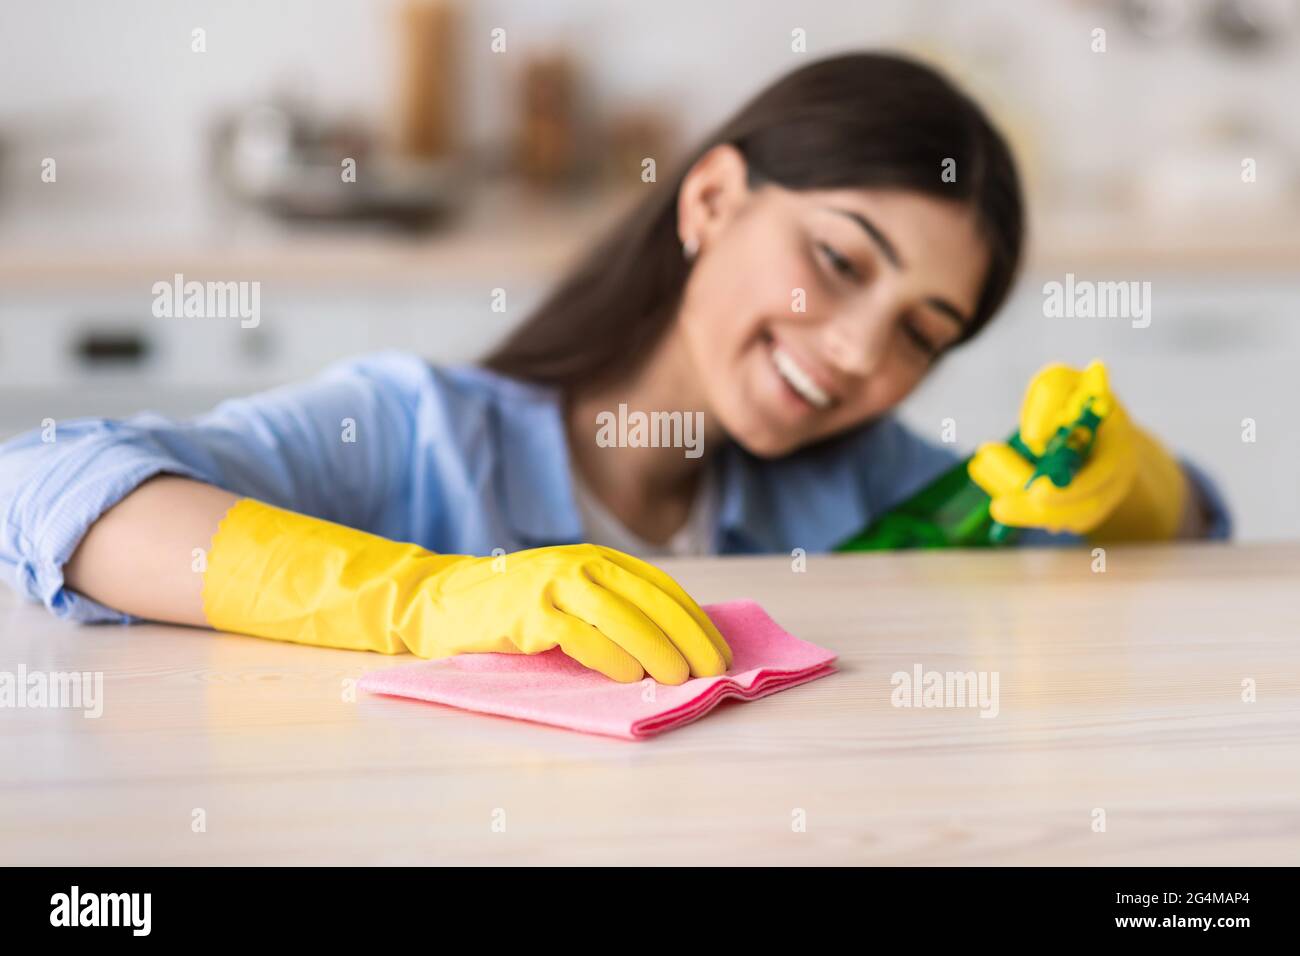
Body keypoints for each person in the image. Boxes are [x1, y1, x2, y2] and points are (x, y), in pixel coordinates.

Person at [0, 53, 1228, 686]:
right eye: (841, 261)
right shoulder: (417, 437)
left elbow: (1177, 549)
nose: (862, 351)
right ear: (709, 198)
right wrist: (427, 602)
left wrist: (1124, 479)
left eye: (924, 329)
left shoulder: (857, 490)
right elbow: (54, 484)